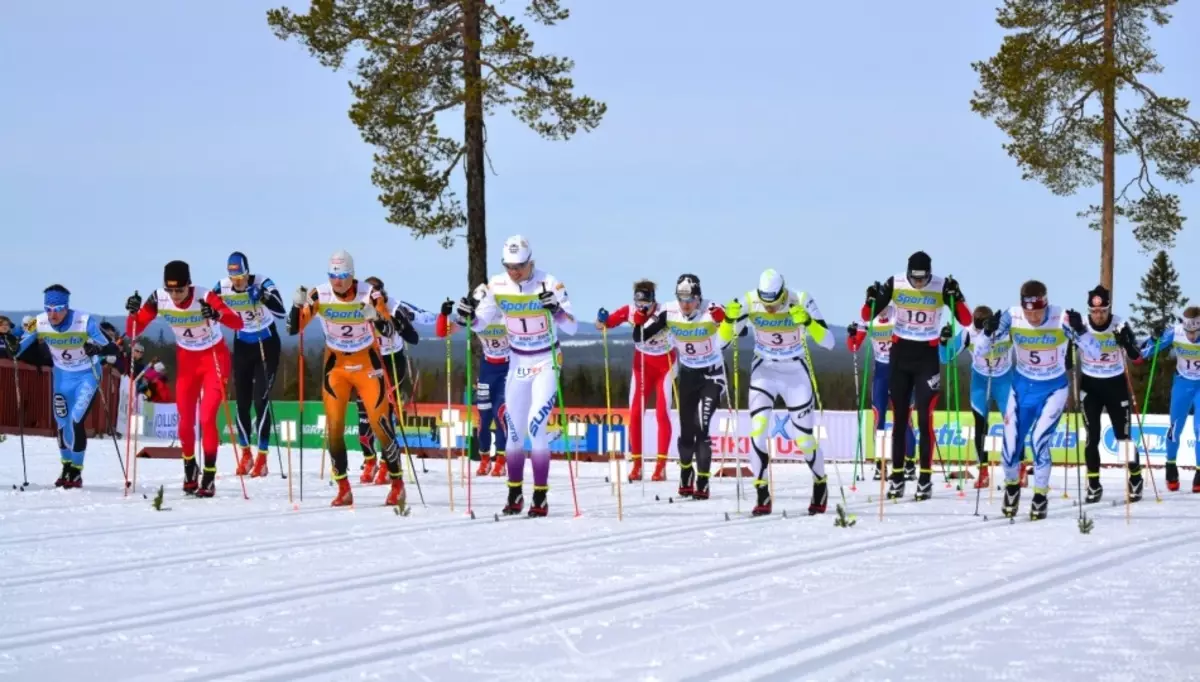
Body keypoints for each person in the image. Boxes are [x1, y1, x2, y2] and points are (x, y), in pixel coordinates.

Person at [453, 235, 576, 517]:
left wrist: (556, 310)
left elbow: (571, 327)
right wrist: (468, 316)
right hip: (518, 360)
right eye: (509, 266)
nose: (514, 271)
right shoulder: (496, 285)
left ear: (530, 262)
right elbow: (480, 323)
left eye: (519, 265)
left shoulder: (550, 283)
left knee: (536, 426)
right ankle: (514, 493)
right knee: (513, 431)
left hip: (546, 358)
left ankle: (541, 496)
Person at [286, 250, 408, 507]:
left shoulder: (369, 294)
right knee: (334, 427)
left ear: (352, 275)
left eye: (342, 276)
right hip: (337, 365)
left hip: (366, 362)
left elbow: (389, 328)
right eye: (333, 276)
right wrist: (296, 307)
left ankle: (397, 483)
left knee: (380, 424)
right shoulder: (320, 295)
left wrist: (375, 318)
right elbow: (294, 328)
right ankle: (343, 487)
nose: (337, 281)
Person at [976, 280, 1099, 519]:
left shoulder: (1061, 317)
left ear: (1046, 304)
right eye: (1028, 311)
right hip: (1021, 388)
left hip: (1053, 389)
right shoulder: (1011, 317)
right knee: (1010, 448)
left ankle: (1040, 496)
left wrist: (1081, 331)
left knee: (1039, 440)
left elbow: (1094, 352)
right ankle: (1012, 488)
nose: (1032, 316)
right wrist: (988, 331)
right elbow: (980, 349)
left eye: (1038, 311)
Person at [125, 260, 245, 496]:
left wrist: (217, 314)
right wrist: (132, 313)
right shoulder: (159, 299)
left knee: (207, 417)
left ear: (189, 285)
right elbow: (133, 330)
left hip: (213, 357)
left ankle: (209, 474)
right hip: (188, 360)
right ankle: (190, 467)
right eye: (171, 290)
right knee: (185, 419)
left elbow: (238, 322)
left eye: (180, 290)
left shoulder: (205, 296)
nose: (176, 296)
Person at [719, 269, 834, 515]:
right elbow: (720, 343)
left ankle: (820, 483)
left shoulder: (801, 299)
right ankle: (761, 492)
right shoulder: (749, 301)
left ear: (783, 292)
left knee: (802, 438)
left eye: (775, 304)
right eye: (766, 304)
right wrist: (728, 322)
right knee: (757, 431)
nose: (770, 310)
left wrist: (809, 323)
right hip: (765, 371)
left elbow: (829, 341)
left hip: (795, 372)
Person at [862, 251, 970, 501]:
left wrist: (958, 296)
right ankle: (897, 476)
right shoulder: (895, 282)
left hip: (927, 356)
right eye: (915, 279)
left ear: (930, 275)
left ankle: (924, 477)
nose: (919, 284)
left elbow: (964, 319)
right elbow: (867, 316)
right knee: (899, 420)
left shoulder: (941, 285)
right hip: (900, 355)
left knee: (925, 418)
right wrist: (870, 300)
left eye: (923, 280)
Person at [10, 285, 118, 487]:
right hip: (62, 377)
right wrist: (12, 345)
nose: (53, 314)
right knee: (62, 422)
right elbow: (19, 346)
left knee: (76, 420)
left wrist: (96, 348)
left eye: (58, 308)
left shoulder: (84, 321)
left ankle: (76, 471)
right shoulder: (39, 321)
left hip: (87, 375)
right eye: (48, 308)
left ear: (66, 307)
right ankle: (66, 466)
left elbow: (111, 346)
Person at [634, 274, 728, 500]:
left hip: (712, 376)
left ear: (699, 298)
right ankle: (686, 472)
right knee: (687, 433)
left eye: (690, 300)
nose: (685, 305)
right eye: (681, 299)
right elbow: (640, 339)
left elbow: (739, 332)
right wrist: (639, 320)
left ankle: (703, 481)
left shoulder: (712, 309)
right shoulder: (670, 312)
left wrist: (725, 321)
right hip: (687, 375)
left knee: (702, 428)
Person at [213, 251, 286, 478]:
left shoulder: (263, 281)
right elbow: (204, 306)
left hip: (266, 343)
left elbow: (281, 311)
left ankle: (262, 457)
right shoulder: (222, 287)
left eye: (242, 278)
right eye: (234, 279)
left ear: (247, 272)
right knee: (242, 402)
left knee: (260, 399)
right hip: (243, 344)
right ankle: (246, 454)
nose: (238, 283)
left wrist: (263, 296)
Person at [596, 279, 675, 482]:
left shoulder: (665, 311)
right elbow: (603, 325)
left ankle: (660, 466)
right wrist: (601, 319)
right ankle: (637, 464)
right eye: (638, 303)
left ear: (652, 300)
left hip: (665, 364)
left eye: (645, 304)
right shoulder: (629, 311)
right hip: (642, 365)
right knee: (636, 412)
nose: (641, 308)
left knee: (661, 413)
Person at [353, 276, 424, 485]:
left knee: (384, 416)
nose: (373, 297)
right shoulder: (359, 307)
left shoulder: (394, 307)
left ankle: (387, 463)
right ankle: (369, 461)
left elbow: (414, 338)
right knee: (364, 415)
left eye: (377, 293)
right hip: (370, 361)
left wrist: (400, 325)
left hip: (393, 361)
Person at [1076, 285, 1143, 502]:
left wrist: (1125, 342)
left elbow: (1137, 358)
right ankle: (1094, 484)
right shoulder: (1082, 325)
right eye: (1094, 311)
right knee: (1091, 437)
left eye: (1103, 311)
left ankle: (1135, 477)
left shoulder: (1120, 324)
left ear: (1108, 308)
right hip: (1090, 386)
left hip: (1115, 385)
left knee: (1122, 437)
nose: (1098, 315)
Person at [937, 305, 1014, 490]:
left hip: (1004, 380)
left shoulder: (1006, 331)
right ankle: (984, 472)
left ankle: (1017, 468)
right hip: (980, 381)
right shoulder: (968, 334)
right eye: (976, 327)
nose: (979, 332)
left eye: (982, 328)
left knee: (1012, 424)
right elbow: (945, 358)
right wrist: (943, 340)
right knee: (981, 425)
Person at [437, 284, 510, 477]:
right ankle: (484, 458)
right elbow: (443, 332)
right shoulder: (476, 316)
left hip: (507, 368)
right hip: (488, 368)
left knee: (500, 414)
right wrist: (444, 314)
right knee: (483, 417)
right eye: (478, 303)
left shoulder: (506, 314)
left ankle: (501, 460)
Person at [847, 306, 916, 480]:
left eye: (884, 305)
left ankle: (909, 464)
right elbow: (854, 346)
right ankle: (881, 464)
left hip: (900, 370)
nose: (882, 311)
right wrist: (852, 335)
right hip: (881, 372)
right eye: (878, 307)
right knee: (879, 419)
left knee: (904, 418)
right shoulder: (867, 318)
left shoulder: (899, 313)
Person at [1139, 305, 1200, 493]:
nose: (1191, 336)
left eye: (1196, 331)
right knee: (1175, 428)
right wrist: (1154, 338)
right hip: (1182, 383)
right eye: (1189, 331)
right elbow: (1145, 353)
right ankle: (1171, 466)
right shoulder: (1175, 332)